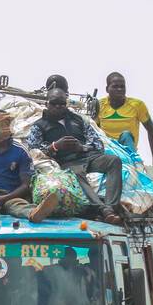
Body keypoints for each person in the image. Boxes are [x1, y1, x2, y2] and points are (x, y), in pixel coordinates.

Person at [27, 89, 124, 224]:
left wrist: (82, 147)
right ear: (46, 103)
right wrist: (55, 146)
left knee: (114, 161)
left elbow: (98, 144)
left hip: (89, 156)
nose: (58, 107)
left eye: (62, 104)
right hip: (68, 162)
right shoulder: (39, 126)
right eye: (54, 103)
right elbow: (33, 150)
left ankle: (111, 207)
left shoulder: (78, 120)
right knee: (76, 174)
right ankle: (104, 210)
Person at [98, 71, 153, 169]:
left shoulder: (137, 105)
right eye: (115, 86)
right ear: (107, 89)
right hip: (107, 149)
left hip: (127, 150)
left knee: (126, 134)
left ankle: (135, 166)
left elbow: (151, 130)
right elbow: (93, 130)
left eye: (122, 86)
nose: (119, 89)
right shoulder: (99, 105)